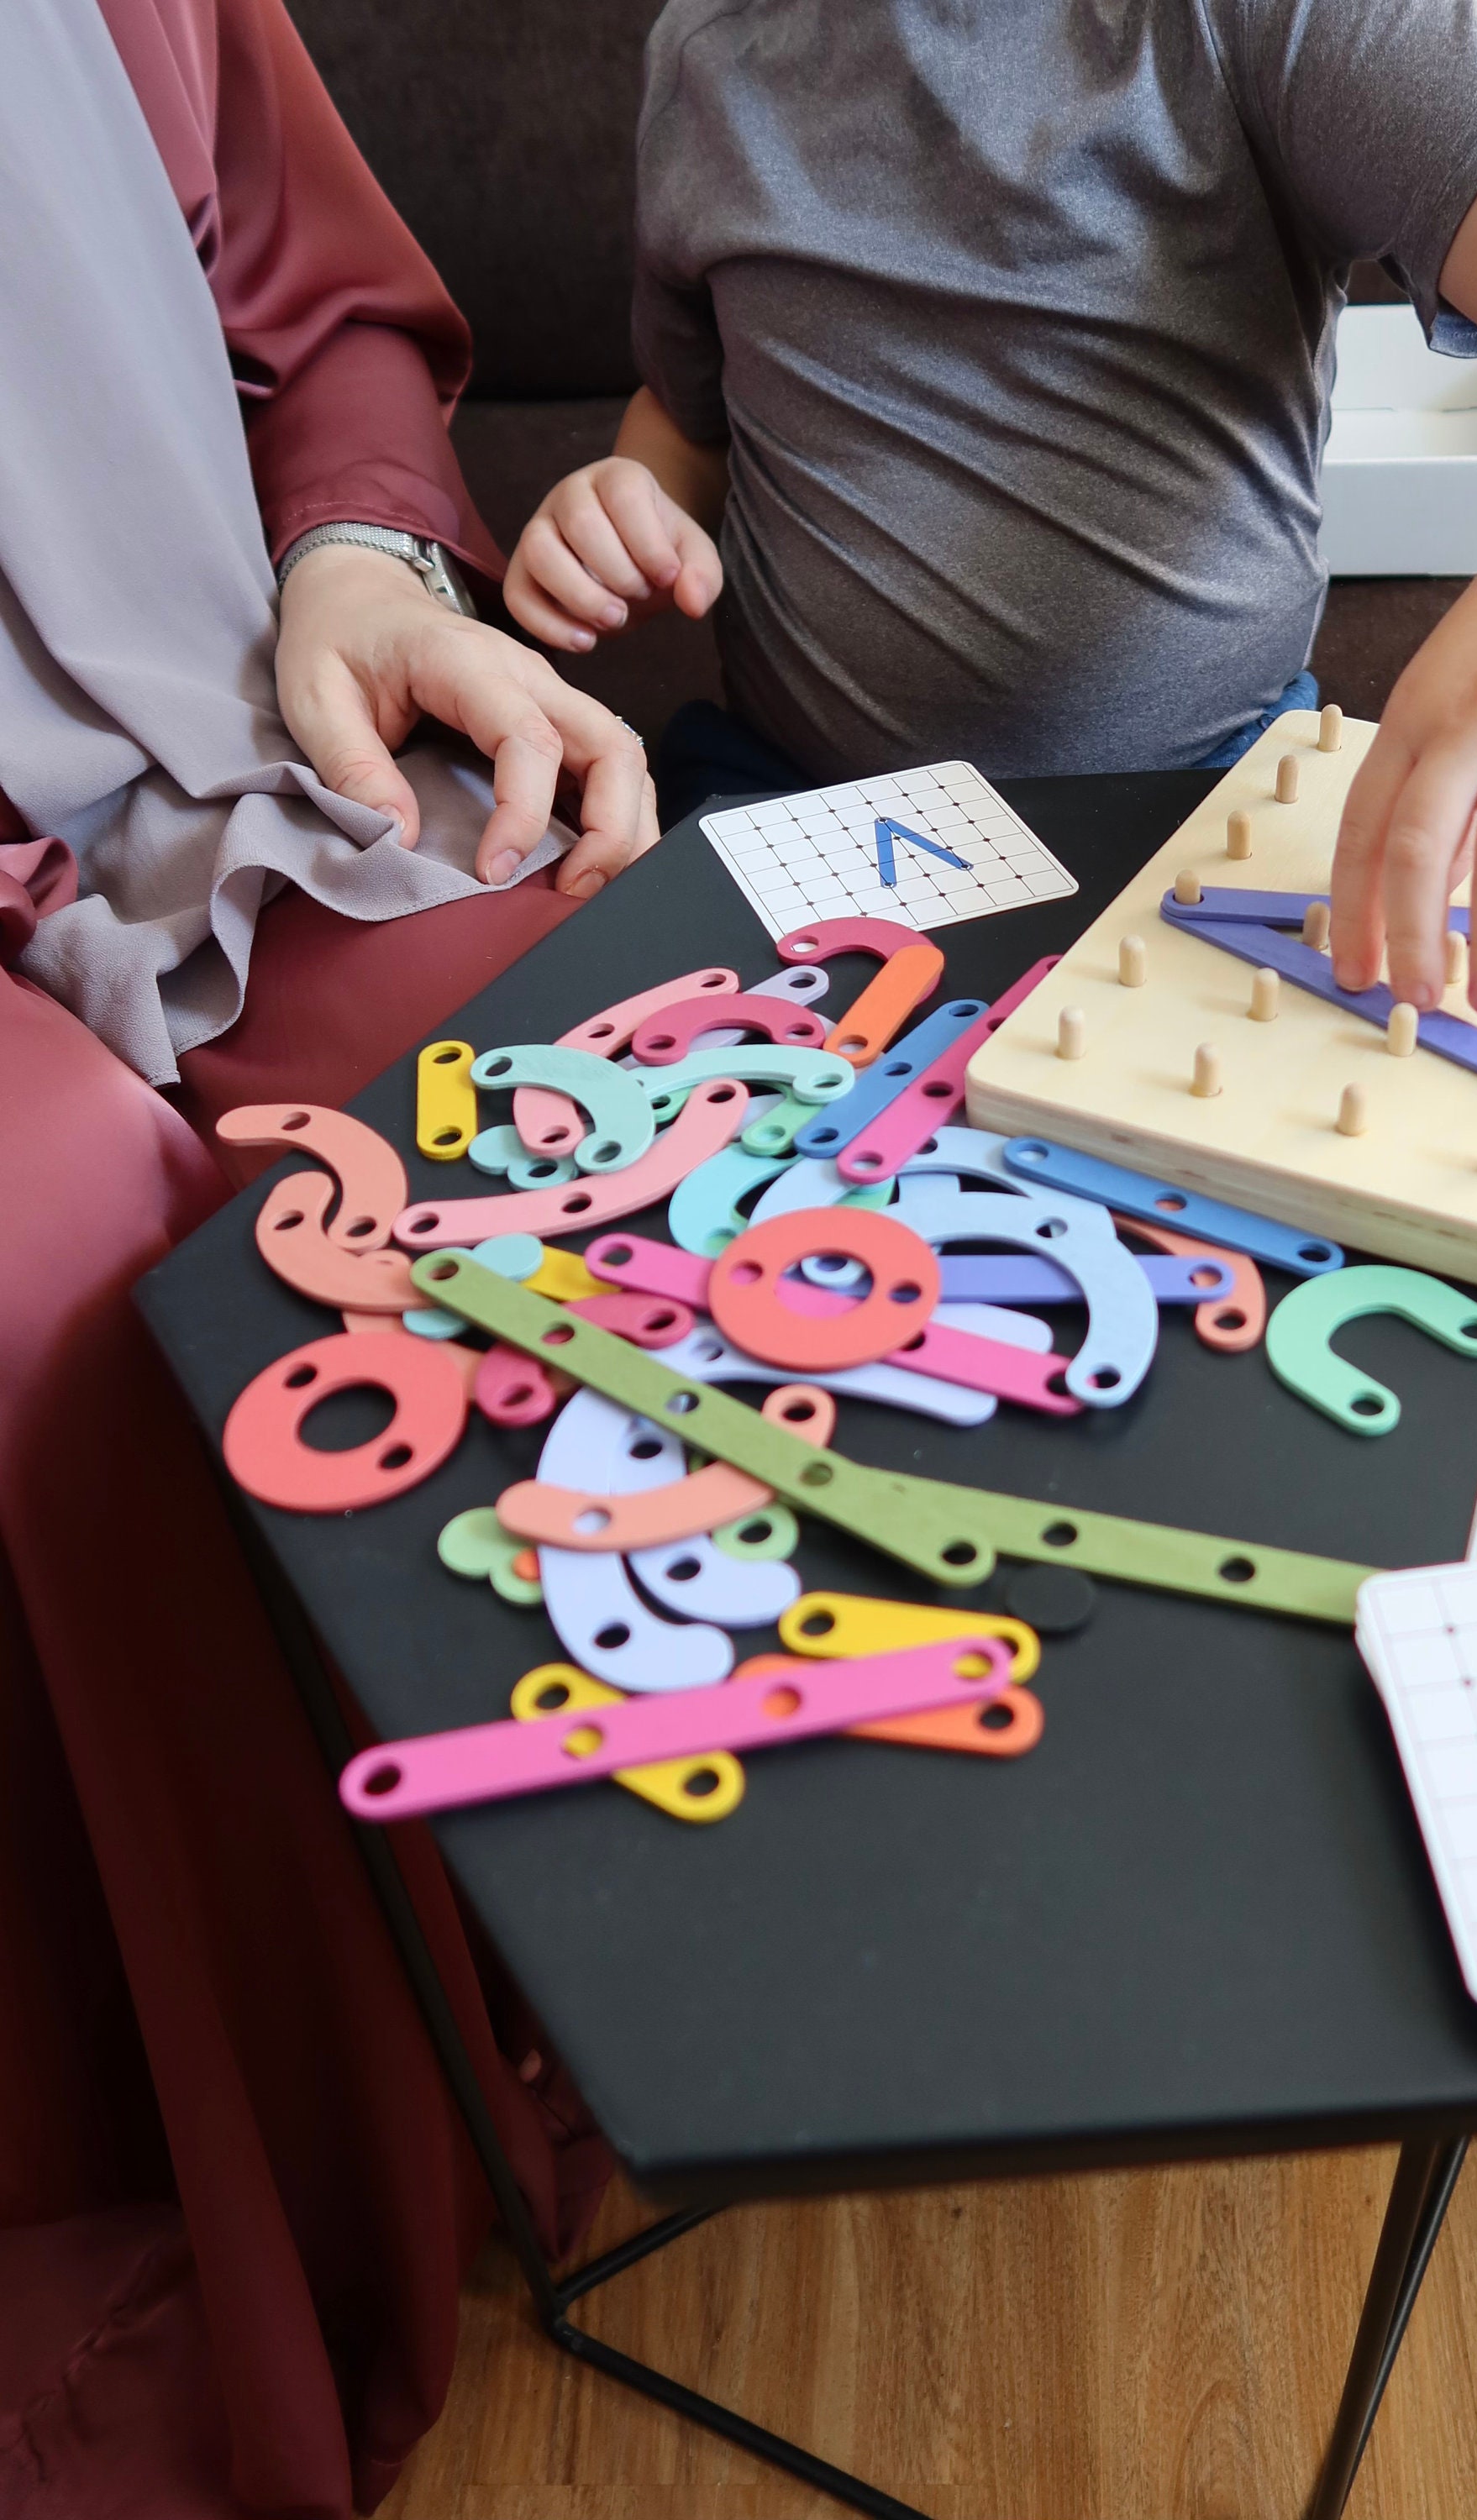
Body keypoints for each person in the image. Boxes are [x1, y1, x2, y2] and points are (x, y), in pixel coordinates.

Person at [1, 3, 636, 2512]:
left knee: (550, 1044)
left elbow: (320, 306)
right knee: (57, 1276)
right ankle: (255, 2218)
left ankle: (620, 1975)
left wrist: (360, 568)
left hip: (191, 754)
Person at [506, 0, 1477, 1021]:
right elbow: (692, 415)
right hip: (790, 796)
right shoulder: (709, 51)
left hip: (1191, 797)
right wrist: (633, 500)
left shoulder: (1253, 25)